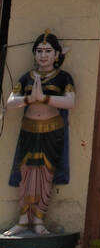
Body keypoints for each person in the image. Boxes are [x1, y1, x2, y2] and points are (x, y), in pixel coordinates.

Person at [5, 31, 75, 235]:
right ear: (34, 54)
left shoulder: (63, 77)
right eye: (39, 51)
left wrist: (44, 99)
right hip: (29, 130)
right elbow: (10, 102)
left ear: (56, 55)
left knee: (46, 175)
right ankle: (23, 219)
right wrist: (29, 100)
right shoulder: (27, 77)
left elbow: (71, 102)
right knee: (25, 174)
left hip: (52, 131)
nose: (43, 55)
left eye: (48, 51)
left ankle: (38, 221)